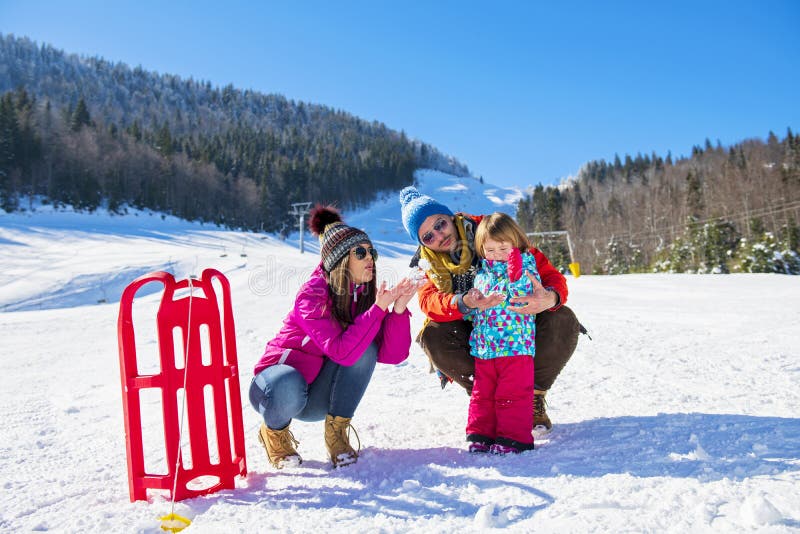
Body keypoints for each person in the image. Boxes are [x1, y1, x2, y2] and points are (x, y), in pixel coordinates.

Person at [399, 186, 582, 434]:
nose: (439, 236)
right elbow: (429, 302)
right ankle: (486, 397)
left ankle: (532, 397)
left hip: (518, 324)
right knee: (433, 334)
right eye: (428, 237)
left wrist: (550, 297)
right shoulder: (424, 263)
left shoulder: (489, 230)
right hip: (477, 333)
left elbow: (548, 273)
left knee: (561, 317)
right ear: (423, 244)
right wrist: (463, 302)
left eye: (440, 224)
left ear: (450, 216)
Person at [250, 205, 417, 469]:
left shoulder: (361, 299)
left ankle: (336, 434)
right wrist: (377, 309)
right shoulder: (312, 295)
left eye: (372, 252)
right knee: (288, 381)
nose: (370, 258)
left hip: (313, 396)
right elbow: (340, 351)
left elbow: (392, 355)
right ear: (340, 260)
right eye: (360, 252)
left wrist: (397, 310)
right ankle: (274, 434)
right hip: (272, 390)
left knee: (366, 349)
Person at [464, 213, 540, 454]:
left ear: (515, 243)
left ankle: (513, 438)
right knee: (483, 394)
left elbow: (526, 296)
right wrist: (475, 301)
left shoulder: (526, 267)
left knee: (513, 394)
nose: (496, 254)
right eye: (490, 249)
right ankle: (481, 434)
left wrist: (516, 278)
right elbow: (475, 309)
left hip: (514, 346)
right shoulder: (482, 273)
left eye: (503, 248)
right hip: (486, 348)